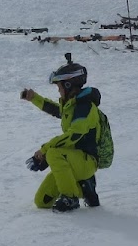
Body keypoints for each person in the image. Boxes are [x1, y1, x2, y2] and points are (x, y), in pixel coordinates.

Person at [21, 53, 102, 212]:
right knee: (42, 201)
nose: (58, 90)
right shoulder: (72, 106)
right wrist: (34, 98)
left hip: (87, 162)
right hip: (72, 160)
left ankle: (70, 198)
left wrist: (44, 150)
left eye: (59, 86)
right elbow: (55, 109)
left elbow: (74, 135)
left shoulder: (85, 107)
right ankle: (85, 188)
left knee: (53, 153)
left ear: (68, 85)